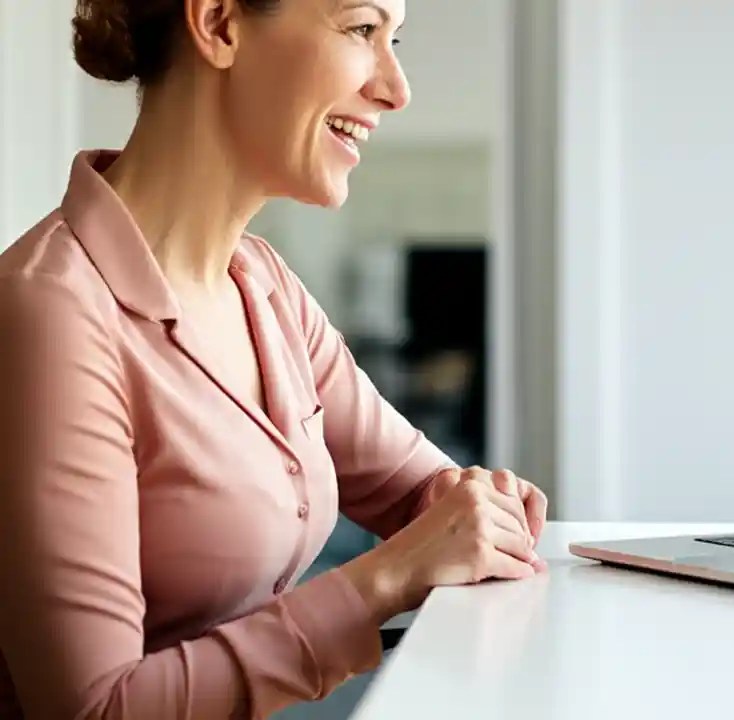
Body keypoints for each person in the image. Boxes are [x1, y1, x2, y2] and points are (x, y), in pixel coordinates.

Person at [0, 1, 549, 717]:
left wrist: (479, 510)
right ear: (220, 25)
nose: (396, 88)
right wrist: (385, 580)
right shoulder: (51, 312)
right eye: (362, 29)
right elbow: (93, 710)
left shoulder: (261, 284)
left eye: (395, 39)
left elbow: (423, 493)